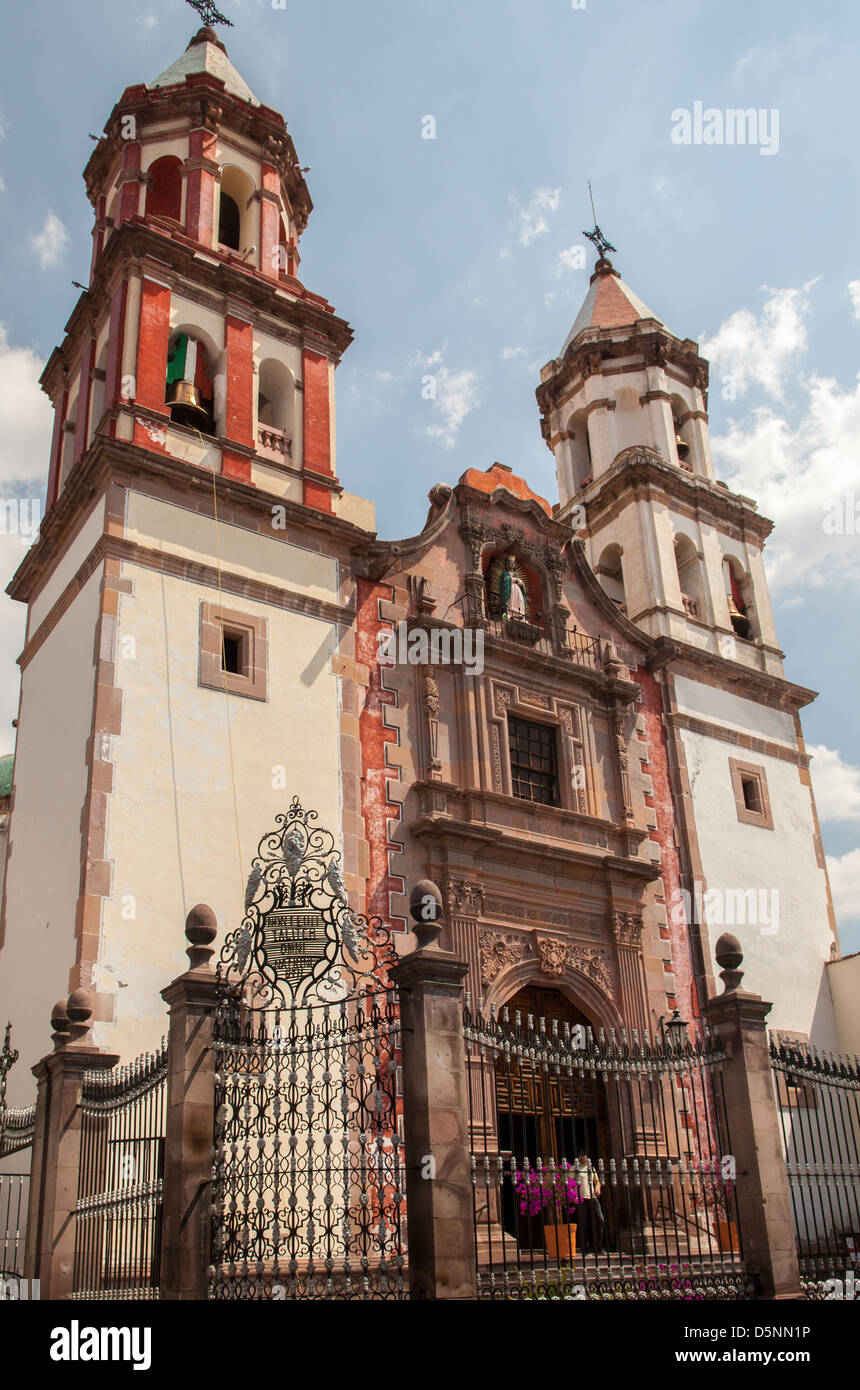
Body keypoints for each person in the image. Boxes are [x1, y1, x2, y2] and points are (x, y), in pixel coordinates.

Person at [574, 1148, 606, 1255]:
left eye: (584, 1155)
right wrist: (574, 1195)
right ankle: (586, 1248)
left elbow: (597, 1182)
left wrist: (597, 1188)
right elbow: (569, 1183)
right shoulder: (574, 1169)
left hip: (592, 1197)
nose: (582, 1157)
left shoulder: (590, 1168)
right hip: (581, 1197)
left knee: (599, 1219)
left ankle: (598, 1246)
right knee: (584, 1224)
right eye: (580, 1155)